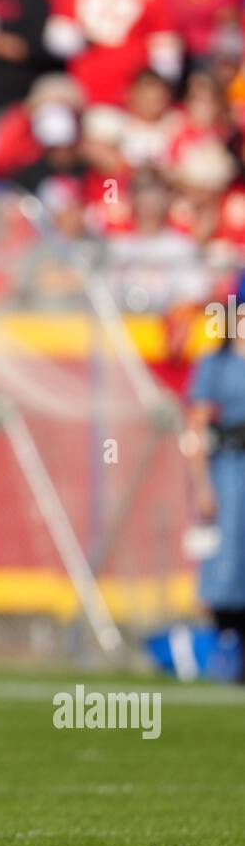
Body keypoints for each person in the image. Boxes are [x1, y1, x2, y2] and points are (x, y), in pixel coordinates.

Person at [185, 274, 245, 670]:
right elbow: (197, 427)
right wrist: (202, 484)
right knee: (227, 559)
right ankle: (227, 644)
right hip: (230, 468)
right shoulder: (216, 364)